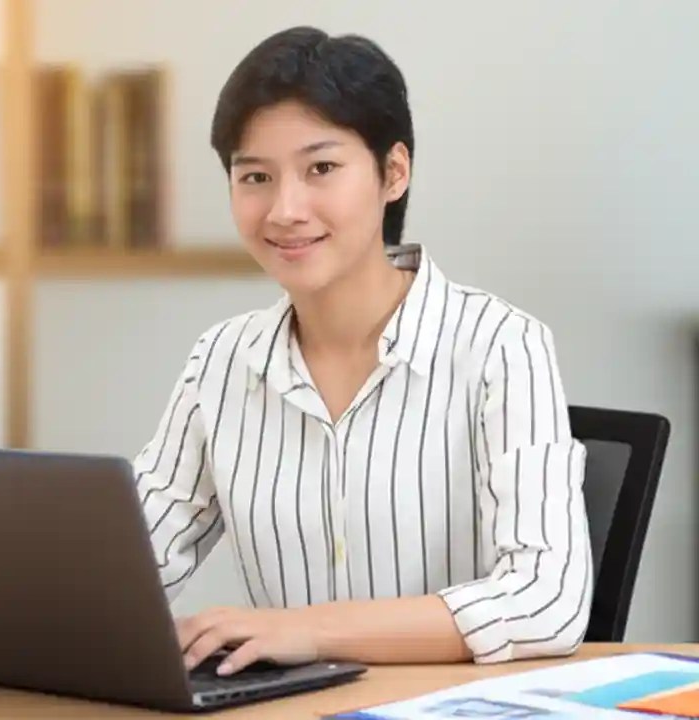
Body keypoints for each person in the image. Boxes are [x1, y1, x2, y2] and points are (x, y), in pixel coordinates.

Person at [135, 26, 591, 675]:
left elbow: (547, 599)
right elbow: (126, 570)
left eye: (321, 168)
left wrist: (308, 631)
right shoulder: (222, 360)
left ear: (393, 172)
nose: (285, 209)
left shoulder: (500, 346)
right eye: (255, 176)